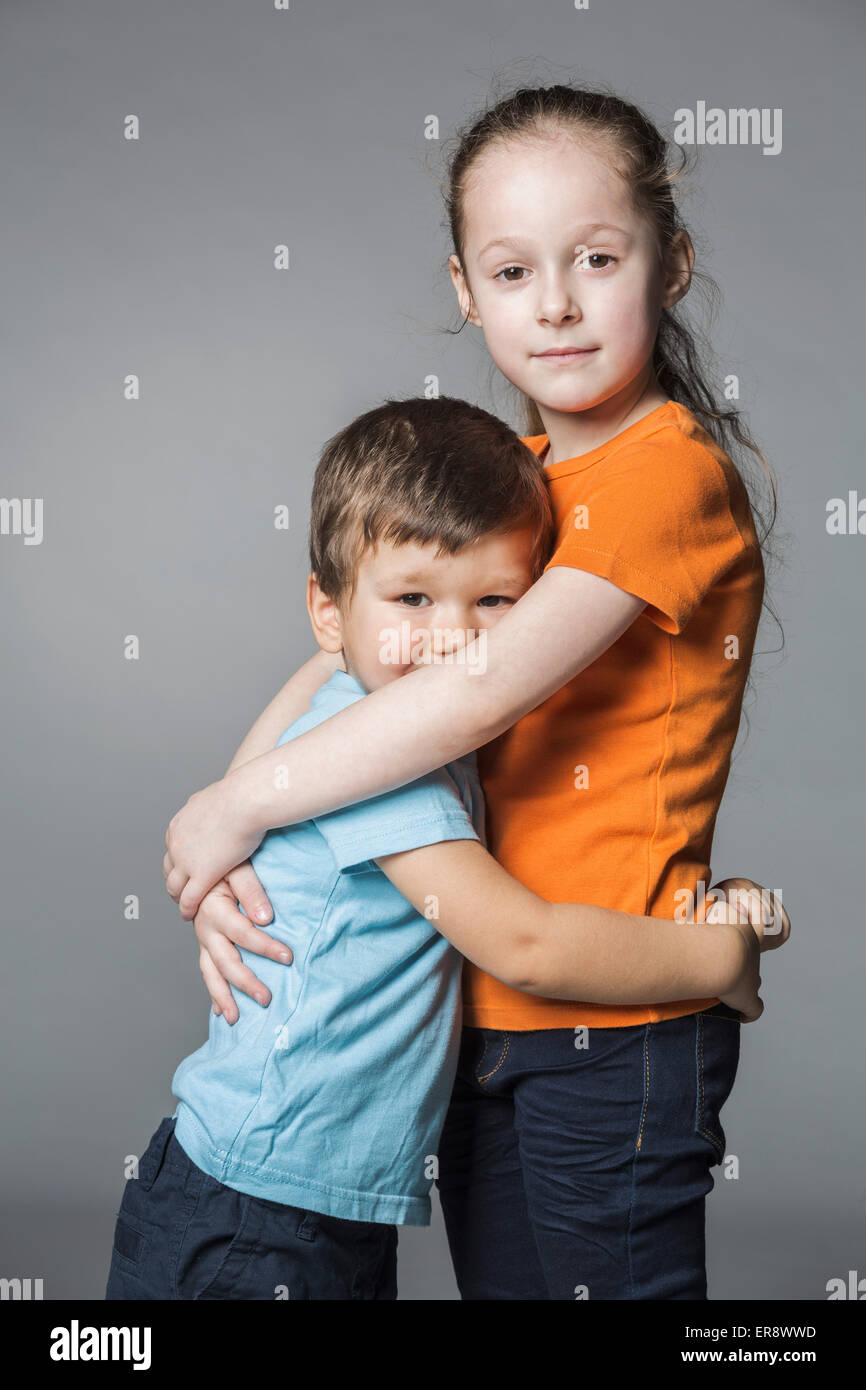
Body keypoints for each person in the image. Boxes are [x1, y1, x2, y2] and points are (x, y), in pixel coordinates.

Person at [163, 85, 789, 1300]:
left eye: (595, 259)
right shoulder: (527, 475)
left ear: (669, 266)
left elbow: (478, 690)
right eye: (511, 272)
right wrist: (232, 817)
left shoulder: (664, 476)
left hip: (609, 1025)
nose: (552, 303)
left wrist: (244, 805)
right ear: (464, 288)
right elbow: (358, 648)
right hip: (480, 1019)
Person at [106, 397, 776, 1302]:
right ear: (327, 608)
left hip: (316, 1208)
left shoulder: (392, 731)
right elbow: (523, 943)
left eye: (494, 602)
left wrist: (236, 807)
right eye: (414, 599)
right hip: (251, 1216)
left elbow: (360, 656)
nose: (452, 637)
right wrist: (722, 957)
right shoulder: (386, 766)